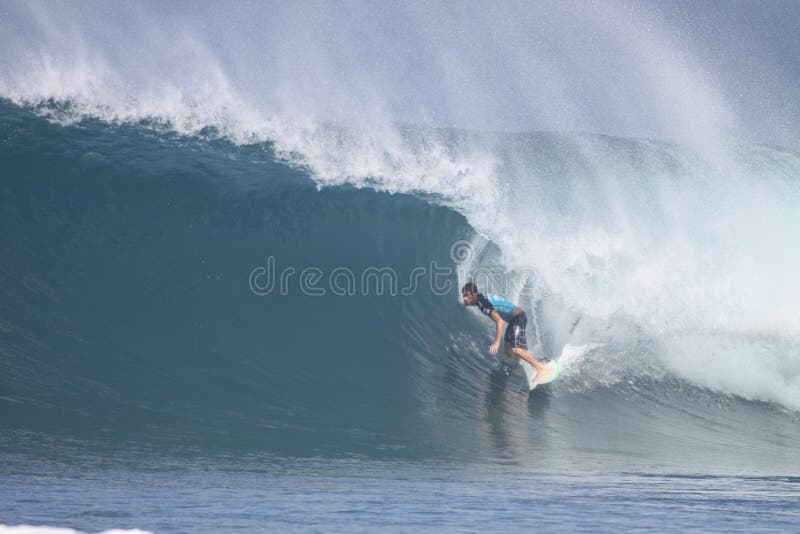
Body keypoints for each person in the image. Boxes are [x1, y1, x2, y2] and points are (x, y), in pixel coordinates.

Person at [461, 282, 550, 380]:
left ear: (473, 295)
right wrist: (462, 303)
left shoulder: (483, 305)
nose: (464, 298)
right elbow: (475, 303)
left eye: (466, 296)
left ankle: (541, 369)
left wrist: (496, 342)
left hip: (518, 317)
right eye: (463, 296)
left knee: (516, 349)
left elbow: (500, 321)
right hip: (513, 320)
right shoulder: (480, 298)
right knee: (509, 352)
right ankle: (536, 363)